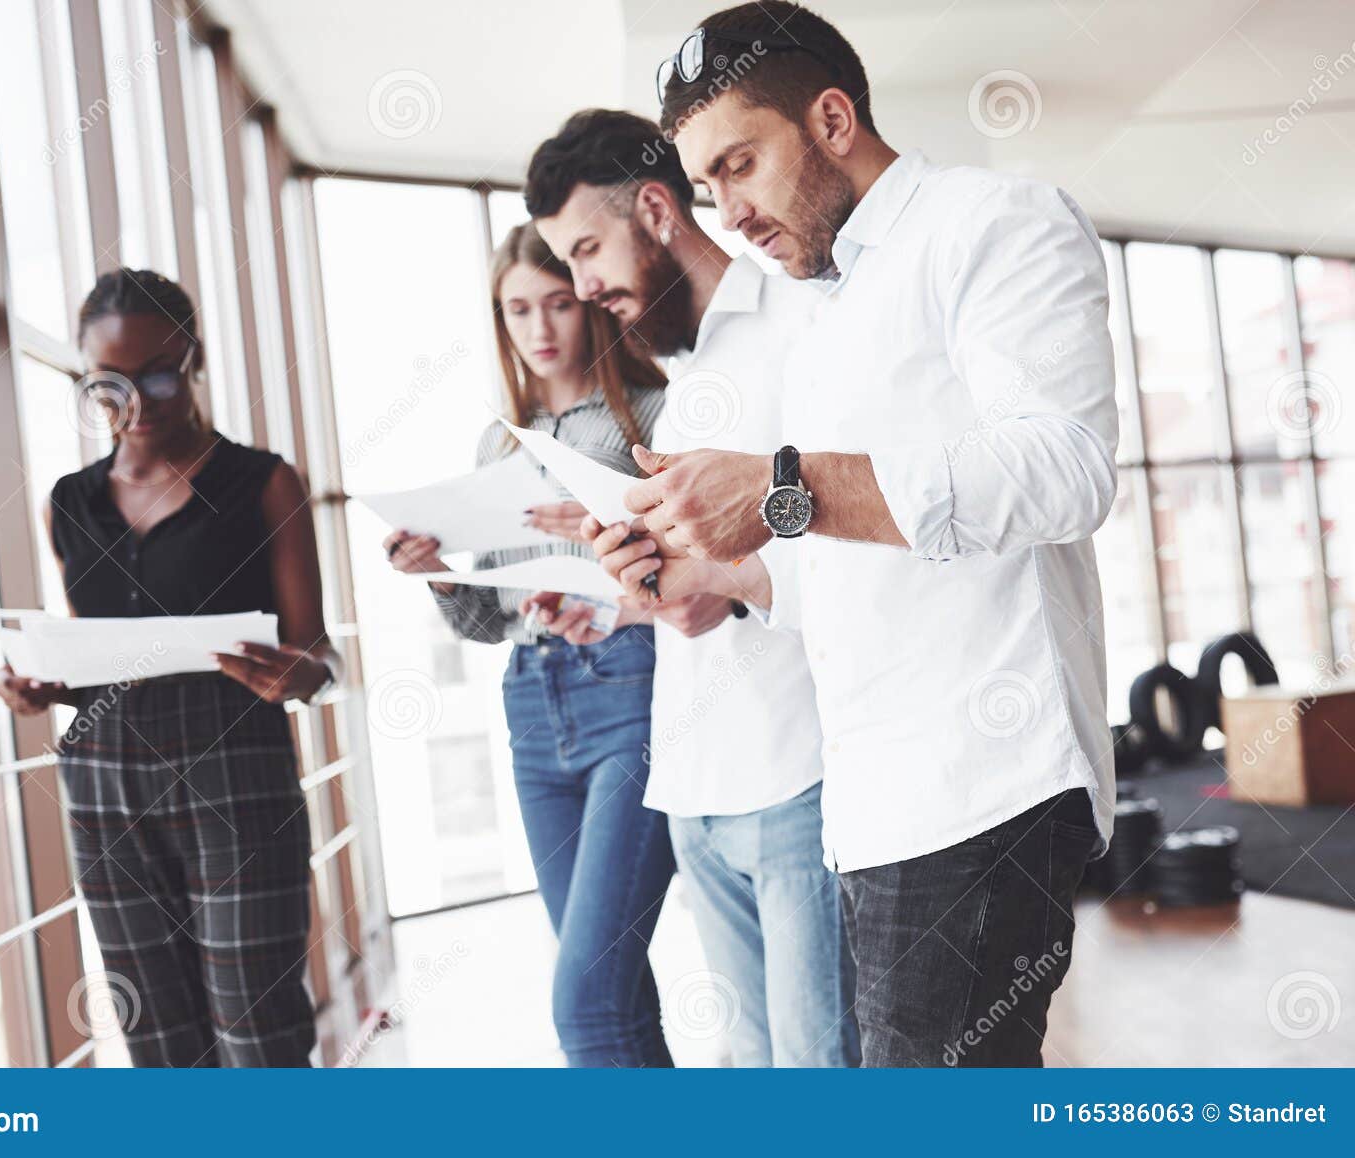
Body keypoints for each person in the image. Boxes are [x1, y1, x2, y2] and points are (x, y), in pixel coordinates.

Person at [589, 2, 1118, 1066]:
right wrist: (704, 575)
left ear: (831, 118)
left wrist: (782, 489)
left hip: (983, 779)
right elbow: (836, 570)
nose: (726, 212)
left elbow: (1066, 469)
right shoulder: (823, 312)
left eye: (739, 163)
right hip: (875, 803)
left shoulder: (992, 222)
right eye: (706, 184)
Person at [520, 108, 859, 1067]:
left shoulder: (805, 326)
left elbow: (867, 538)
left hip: (801, 777)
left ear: (658, 210)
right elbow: (697, 570)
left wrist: (730, 580)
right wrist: (630, 583)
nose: (582, 287)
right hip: (695, 778)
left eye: (588, 250)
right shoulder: (674, 371)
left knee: (818, 1080)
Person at [0, 268, 340, 1067]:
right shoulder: (68, 503)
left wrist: (303, 678)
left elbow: (316, 653)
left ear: (194, 360)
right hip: (105, 779)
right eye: (110, 383)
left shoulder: (262, 481)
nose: (138, 403)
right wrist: (39, 685)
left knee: (260, 1032)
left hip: (236, 769)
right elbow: (94, 649)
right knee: (159, 1041)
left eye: (158, 374)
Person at [383, 224, 684, 1067]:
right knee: (618, 1001)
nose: (540, 328)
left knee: (583, 1002)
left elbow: (701, 572)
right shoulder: (499, 442)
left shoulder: (656, 414)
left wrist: (611, 567)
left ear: (590, 304)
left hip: (632, 689)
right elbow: (488, 622)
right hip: (531, 700)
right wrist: (442, 573)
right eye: (517, 310)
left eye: (557, 303)